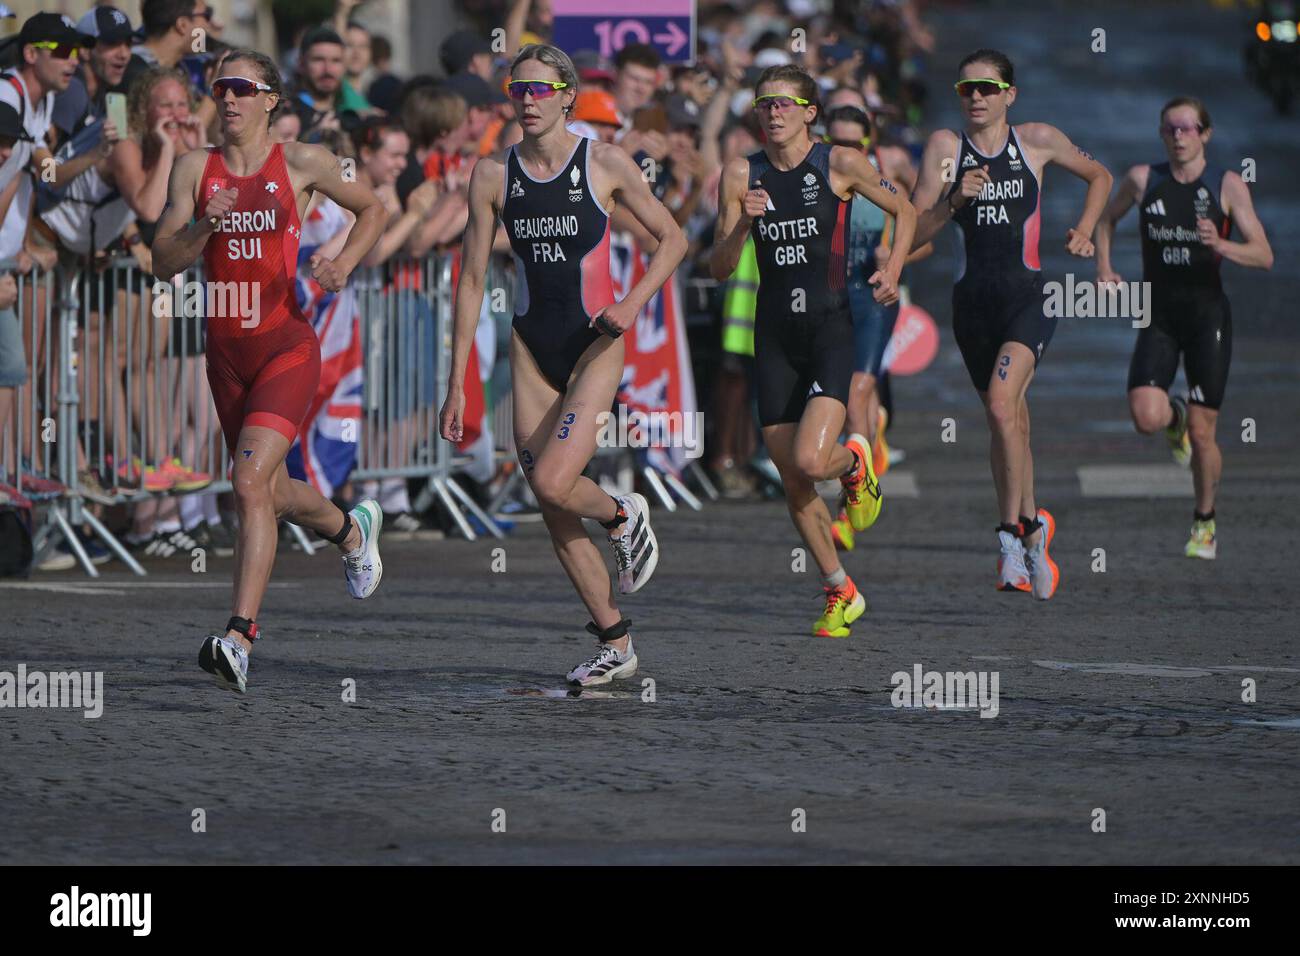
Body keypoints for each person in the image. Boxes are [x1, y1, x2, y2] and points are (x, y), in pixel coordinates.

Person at [441, 44, 687, 685]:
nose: (527, 99)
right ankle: (615, 640)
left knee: (554, 481)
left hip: (595, 344)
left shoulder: (604, 162)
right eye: (517, 89)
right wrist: (455, 385)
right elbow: (470, 282)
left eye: (540, 89)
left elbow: (674, 238)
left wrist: (633, 304)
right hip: (530, 348)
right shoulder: (492, 176)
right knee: (550, 503)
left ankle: (623, 513)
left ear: (567, 95)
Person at [152, 50, 388, 693]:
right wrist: (206, 221)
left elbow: (374, 210)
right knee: (268, 491)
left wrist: (342, 262)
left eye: (239, 88)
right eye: (218, 87)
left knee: (248, 481)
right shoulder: (194, 168)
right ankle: (351, 527)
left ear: (269, 100)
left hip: (285, 345)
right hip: (225, 354)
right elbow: (161, 263)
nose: (225, 98)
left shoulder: (304, 162)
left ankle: (239, 637)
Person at [711, 64, 917, 638]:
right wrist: (738, 230)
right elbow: (719, 267)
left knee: (809, 459)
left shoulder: (840, 163)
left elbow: (907, 210)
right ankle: (839, 590)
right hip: (773, 335)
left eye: (783, 103)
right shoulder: (740, 173)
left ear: (808, 113)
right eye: (763, 103)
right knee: (793, 480)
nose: (772, 111)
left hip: (829, 329)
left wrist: (894, 268)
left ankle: (856, 463)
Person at [910, 49, 1112, 599]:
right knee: (1009, 422)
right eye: (966, 89)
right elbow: (915, 230)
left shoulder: (1037, 140)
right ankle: (1034, 527)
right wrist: (954, 199)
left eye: (987, 88)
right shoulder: (945, 150)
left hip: (1030, 297)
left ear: (1009, 95)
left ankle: (1008, 541)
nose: (976, 97)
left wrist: (1085, 229)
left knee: (1002, 405)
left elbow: (1100, 175)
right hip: (971, 305)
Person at [1095, 96, 1273, 560]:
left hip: (1207, 317)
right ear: (1161, 134)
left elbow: (1264, 254)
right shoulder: (1142, 179)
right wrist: (1105, 268)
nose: (1178, 136)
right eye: (1170, 129)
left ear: (1205, 134)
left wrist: (1223, 246)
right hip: (1157, 313)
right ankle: (1171, 417)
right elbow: (1106, 220)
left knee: (1203, 433)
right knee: (1145, 417)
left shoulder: (1227, 185)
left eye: (1187, 129)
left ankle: (1204, 521)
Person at [822, 104, 927, 551]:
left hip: (872, 297)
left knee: (858, 391)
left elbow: (922, 239)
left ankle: (847, 509)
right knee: (845, 396)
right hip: (829, 298)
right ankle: (870, 443)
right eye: (837, 142)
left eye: (855, 143)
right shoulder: (817, 178)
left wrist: (895, 261)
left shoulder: (885, 185)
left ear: (870, 145)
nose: (846, 150)